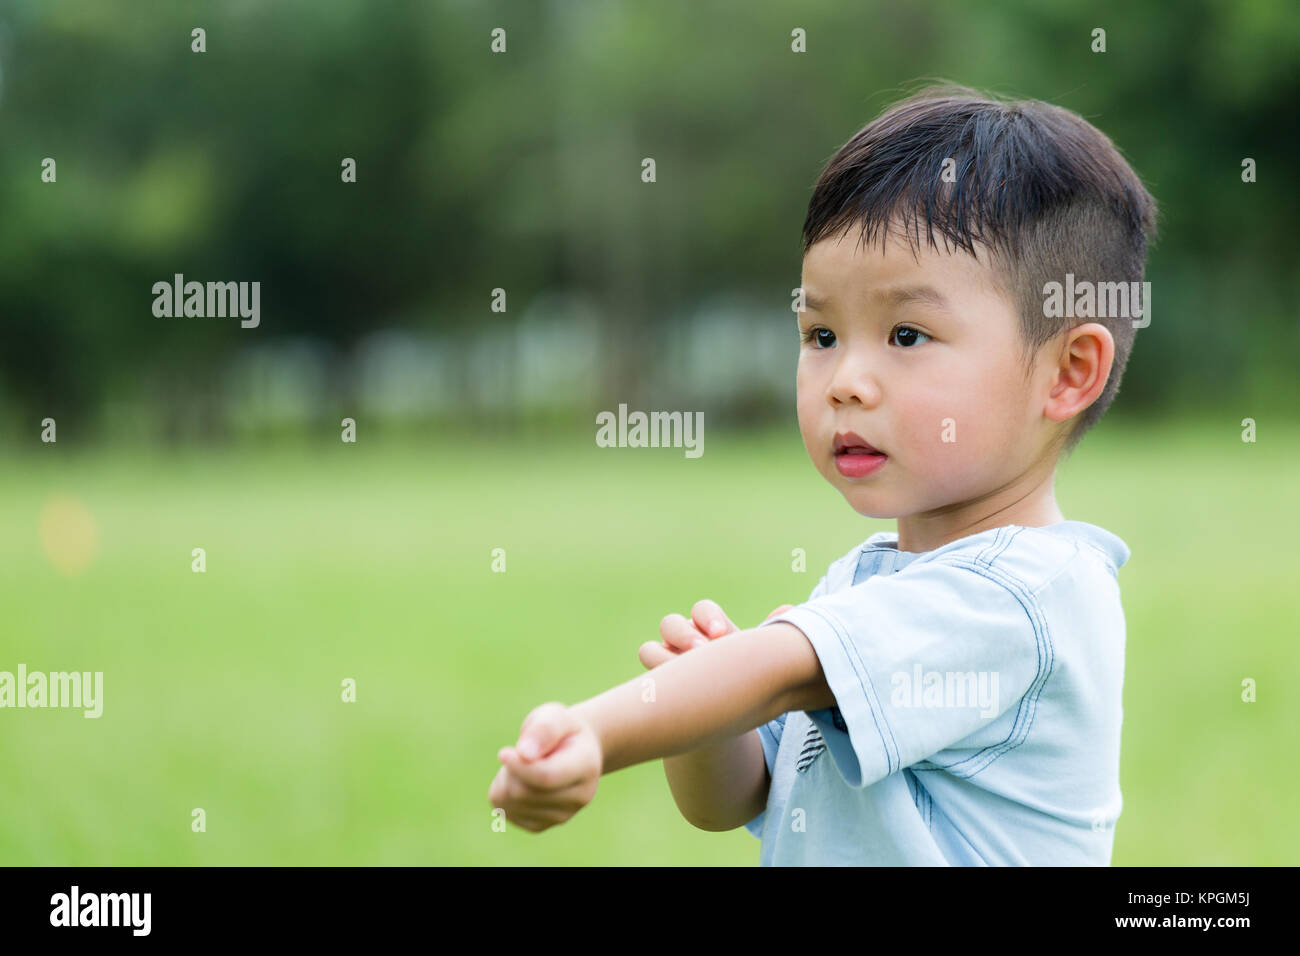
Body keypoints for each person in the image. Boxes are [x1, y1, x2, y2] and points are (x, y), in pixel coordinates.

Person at [486, 84, 1158, 865]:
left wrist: (596, 731)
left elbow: (776, 674)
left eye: (907, 334)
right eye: (822, 333)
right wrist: (711, 718)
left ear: (1067, 372)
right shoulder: (869, 580)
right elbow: (741, 798)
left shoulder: (1022, 597)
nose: (846, 380)